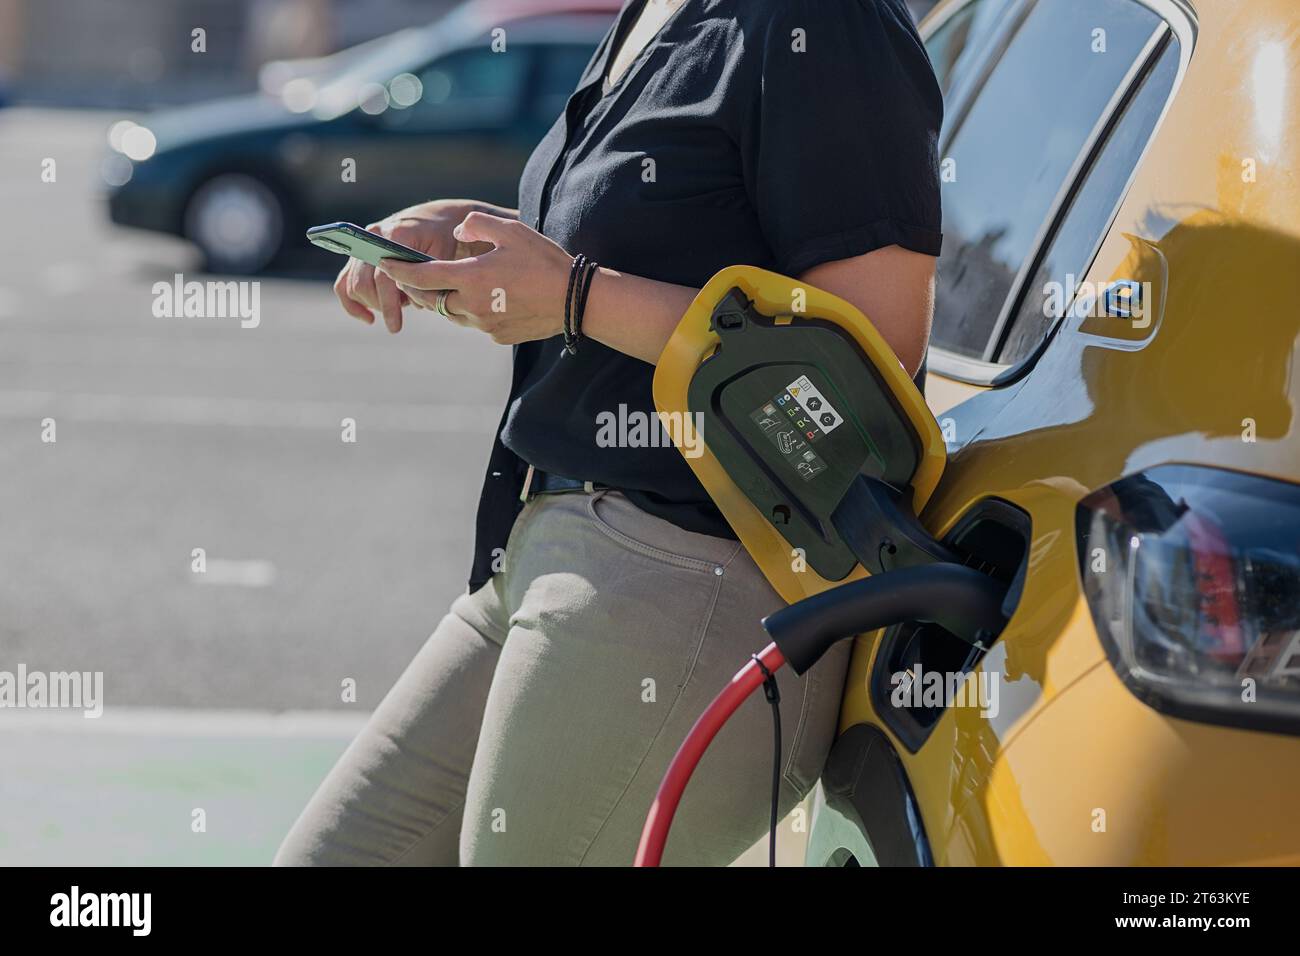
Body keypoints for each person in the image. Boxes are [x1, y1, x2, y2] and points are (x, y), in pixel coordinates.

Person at [275, 0, 942, 866]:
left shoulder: (819, 19)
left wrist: (575, 296)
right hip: (543, 552)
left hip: (691, 575)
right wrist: (475, 240)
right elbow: (654, 240)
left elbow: (875, 354)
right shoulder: (657, 11)